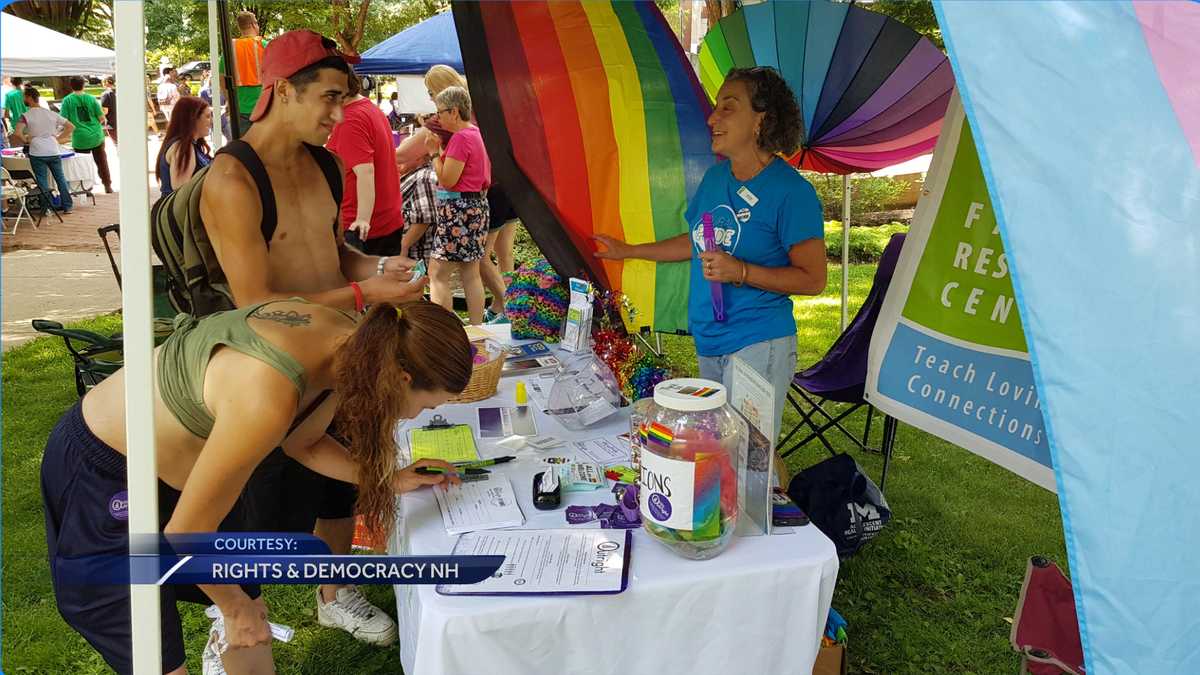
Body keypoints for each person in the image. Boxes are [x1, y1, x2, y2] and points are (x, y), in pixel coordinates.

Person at [42, 299, 472, 674]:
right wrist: (232, 608)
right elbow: (186, 532)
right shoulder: (265, 400)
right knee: (153, 645)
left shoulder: (354, 347)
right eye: (426, 405)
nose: (415, 417)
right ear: (400, 379)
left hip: (190, 463)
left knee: (250, 612)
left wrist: (389, 478)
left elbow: (303, 443)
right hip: (105, 471)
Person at [198, 29, 423, 653]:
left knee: (339, 484)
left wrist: (374, 271)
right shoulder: (232, 180)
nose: (337, 113)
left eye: (343, 98)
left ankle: (332, 593)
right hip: (267, 367)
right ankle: (238, 620)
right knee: (257, 507)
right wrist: (365, 297)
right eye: (327, 97)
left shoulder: (324, 161)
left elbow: (333, 254)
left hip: (338, 354)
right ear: (278, 91)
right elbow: (256, 307)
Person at [594, 67, 827, 462]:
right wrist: (629, 250)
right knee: (723, 454)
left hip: (758, 341)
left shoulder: (791, 192)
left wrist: (743, 272)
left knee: (749, 458)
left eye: (727, 108)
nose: (712, 118)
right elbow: (696, 242)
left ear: (761, 120)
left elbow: (814, 279)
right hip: (711, 339)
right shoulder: (717, 178)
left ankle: (781, 518)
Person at [424, 85, 492, 325]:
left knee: (437, 273)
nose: (437, 117)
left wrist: (433, 153)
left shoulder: (462, 137)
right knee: (470, 272)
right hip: (475, 208)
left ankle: (442, 328)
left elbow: (448, 180)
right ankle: (476, 329)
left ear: (454, 112)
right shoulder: (474, 133)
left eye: (440, 112)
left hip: (459, 211)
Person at [326, 68, 405, 255]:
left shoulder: (350, 120)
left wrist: (362, 220)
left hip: (362, 231)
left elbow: (365, 173)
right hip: (385, 222)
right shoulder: (369, 108)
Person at [13, 86, 75, 213]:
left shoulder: (25, 115)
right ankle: (67, 206)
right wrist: (57, 139)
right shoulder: (51, 113)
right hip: (53, 149)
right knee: (60, 178)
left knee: (42, 180)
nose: (23, 99)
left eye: (24, 97)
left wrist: (26, 140)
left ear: (29, 98)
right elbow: (70, 127)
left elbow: (17, 132)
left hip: (37, 151)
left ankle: (47, 207)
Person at [59, 76, 112, 194]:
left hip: (79, 137)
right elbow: (101, 118)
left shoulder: (67, 100)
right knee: (102, 162)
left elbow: (63, 119)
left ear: (71, 85)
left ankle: (87, 188)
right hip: (96, 135)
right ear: (83, 85)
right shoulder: (91, 98)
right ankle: (107, 185)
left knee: (82, 164)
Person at [397, 118, 438, 265]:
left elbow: (425, 218)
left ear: (418, 156)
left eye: (404, 155)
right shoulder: (413, 174)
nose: (399, 159)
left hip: (416, 255)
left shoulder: (424, 177)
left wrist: (404, 245)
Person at [154, 96, 213, 196]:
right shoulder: (182, 147)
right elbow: (181, 190)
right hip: (179, 211)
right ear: (193, 119)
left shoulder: (189, 145)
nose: (211, 121)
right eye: (207, 116)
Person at [229, 10, 268, 134]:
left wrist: (230, 102)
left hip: (239, 108)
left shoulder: (230, 48)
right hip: (263, 107)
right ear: (252, 24)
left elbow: (222, 80)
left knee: (244, 148)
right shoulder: (265, 45)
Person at [99, 76, 117, 146]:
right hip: (122, 123)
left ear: (106, 82)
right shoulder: (119, 91)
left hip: (112, 124)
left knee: (117, 145)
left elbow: (105, 111)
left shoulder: (105, 94)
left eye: (103, 82)